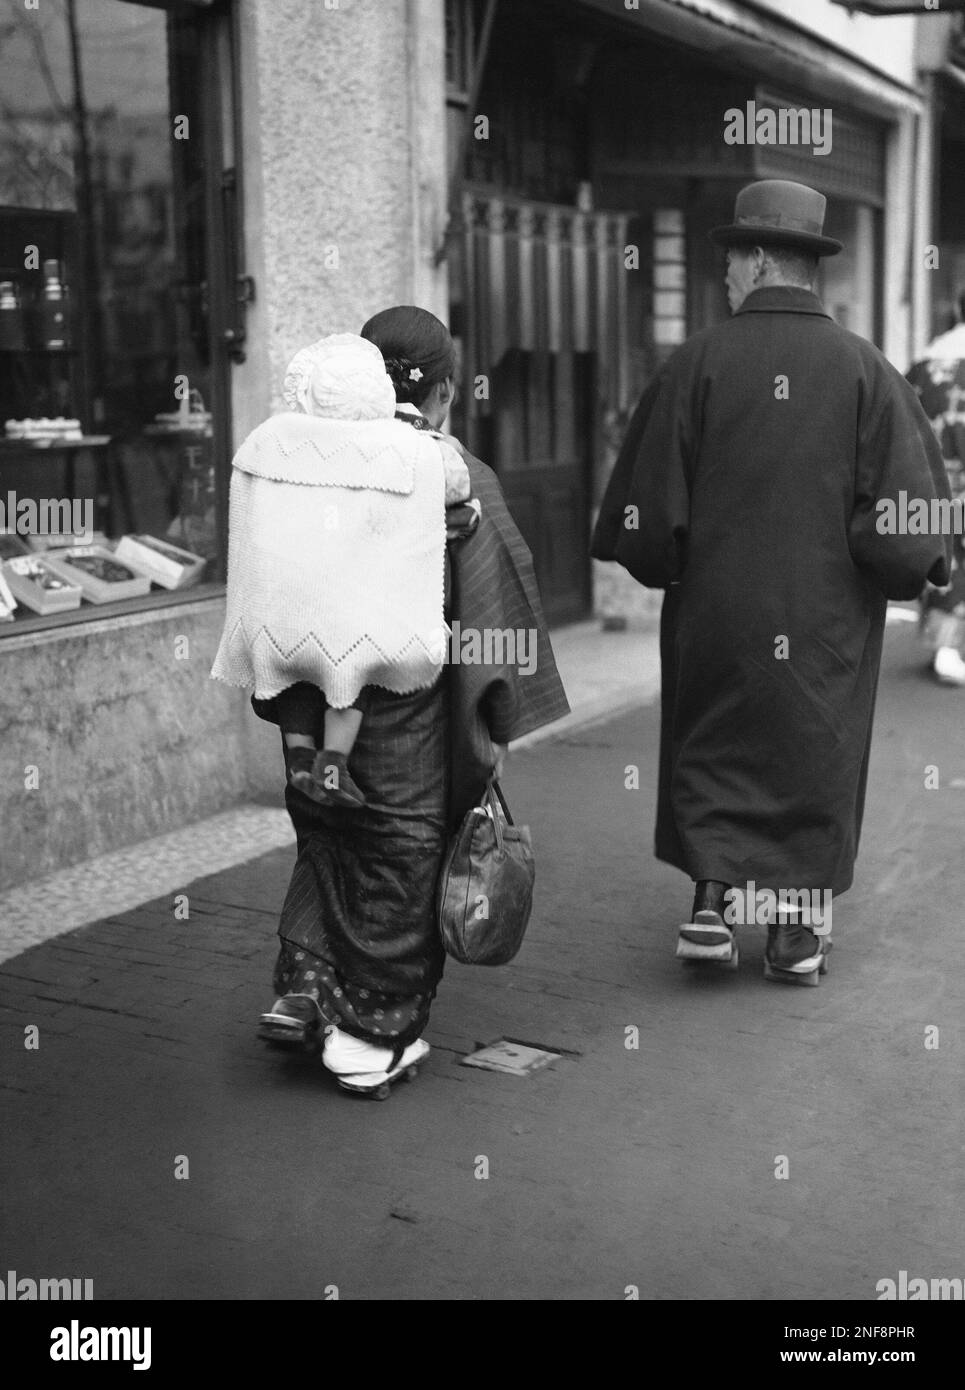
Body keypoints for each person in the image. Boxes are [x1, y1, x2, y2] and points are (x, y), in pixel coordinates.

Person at [592, 180, 953, 984]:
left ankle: (713, 906)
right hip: (824, 620)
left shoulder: (695, 364)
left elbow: (647, 525)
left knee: (714, 744)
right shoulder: (866, 370)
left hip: (716, 612)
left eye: (728, 263)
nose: (723, 278)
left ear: (755, 260)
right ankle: (792, 935)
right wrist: (901, 568)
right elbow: (902, 533)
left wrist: (669, 562)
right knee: (811, 752)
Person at [254, 305, 569, 1092]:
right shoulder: (447, 472)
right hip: (408, 712)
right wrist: (495, 713)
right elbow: (495, 610)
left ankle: (304, 991)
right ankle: (368, 1037)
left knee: (327, 840)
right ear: (443, 396)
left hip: (310, 701)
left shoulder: (300, 456)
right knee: (400, 855)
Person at [213, 333, 475, 807]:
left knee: (293, 674)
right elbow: (456, 484)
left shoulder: (269, 439)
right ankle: (333, 764)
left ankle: (298, 762)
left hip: (277, 608)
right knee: (344, 675)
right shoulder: (399, 446)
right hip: (345, 612)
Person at [906, 293, 965, 686]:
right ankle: (951, 648)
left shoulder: (925, 362)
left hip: (932, 481)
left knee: (943, 555)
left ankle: (944, 645)